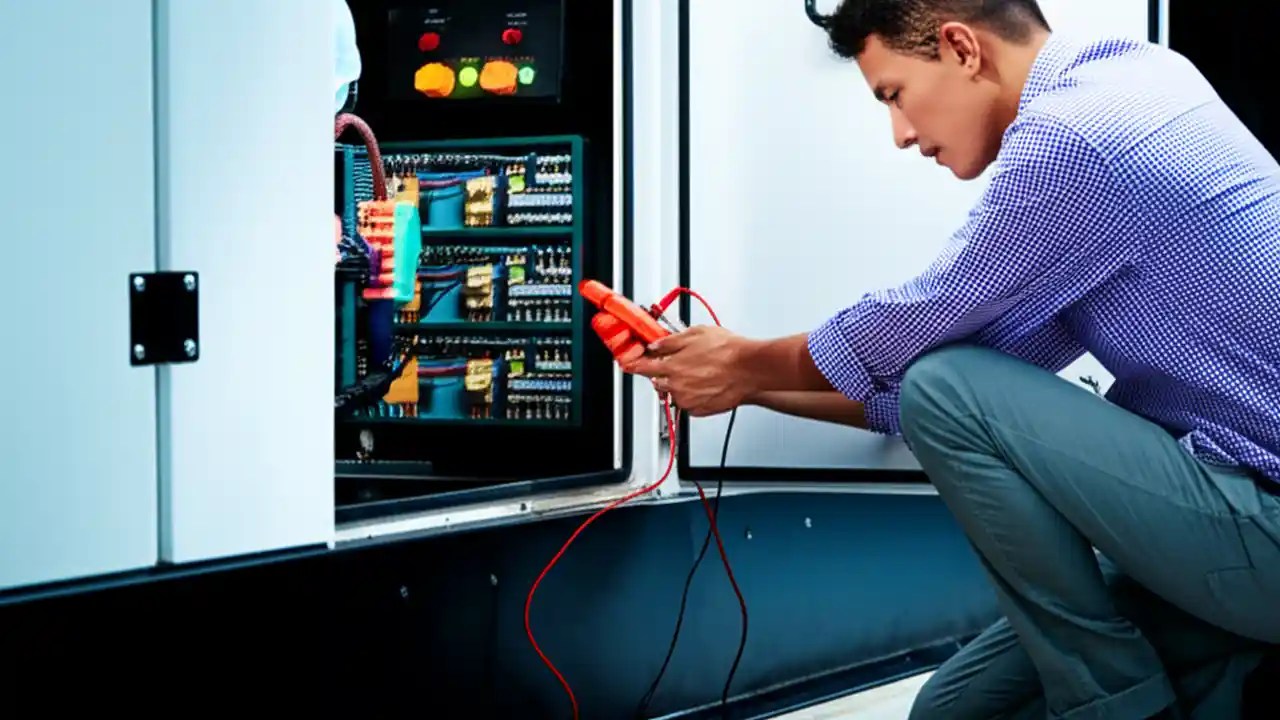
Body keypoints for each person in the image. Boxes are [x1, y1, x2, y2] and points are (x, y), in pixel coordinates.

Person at [610, 1, 1280, 718]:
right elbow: (927, 391)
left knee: (942, 383)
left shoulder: (1073, 137)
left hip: (1259, 522)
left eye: (894, 96)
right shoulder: (1145, 75)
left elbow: (913, 338)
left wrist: (742, 362)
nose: (900, 134)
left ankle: (1119, 705)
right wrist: (736, 387)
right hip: (1228, 520)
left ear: (962, 48)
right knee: (952, 711)